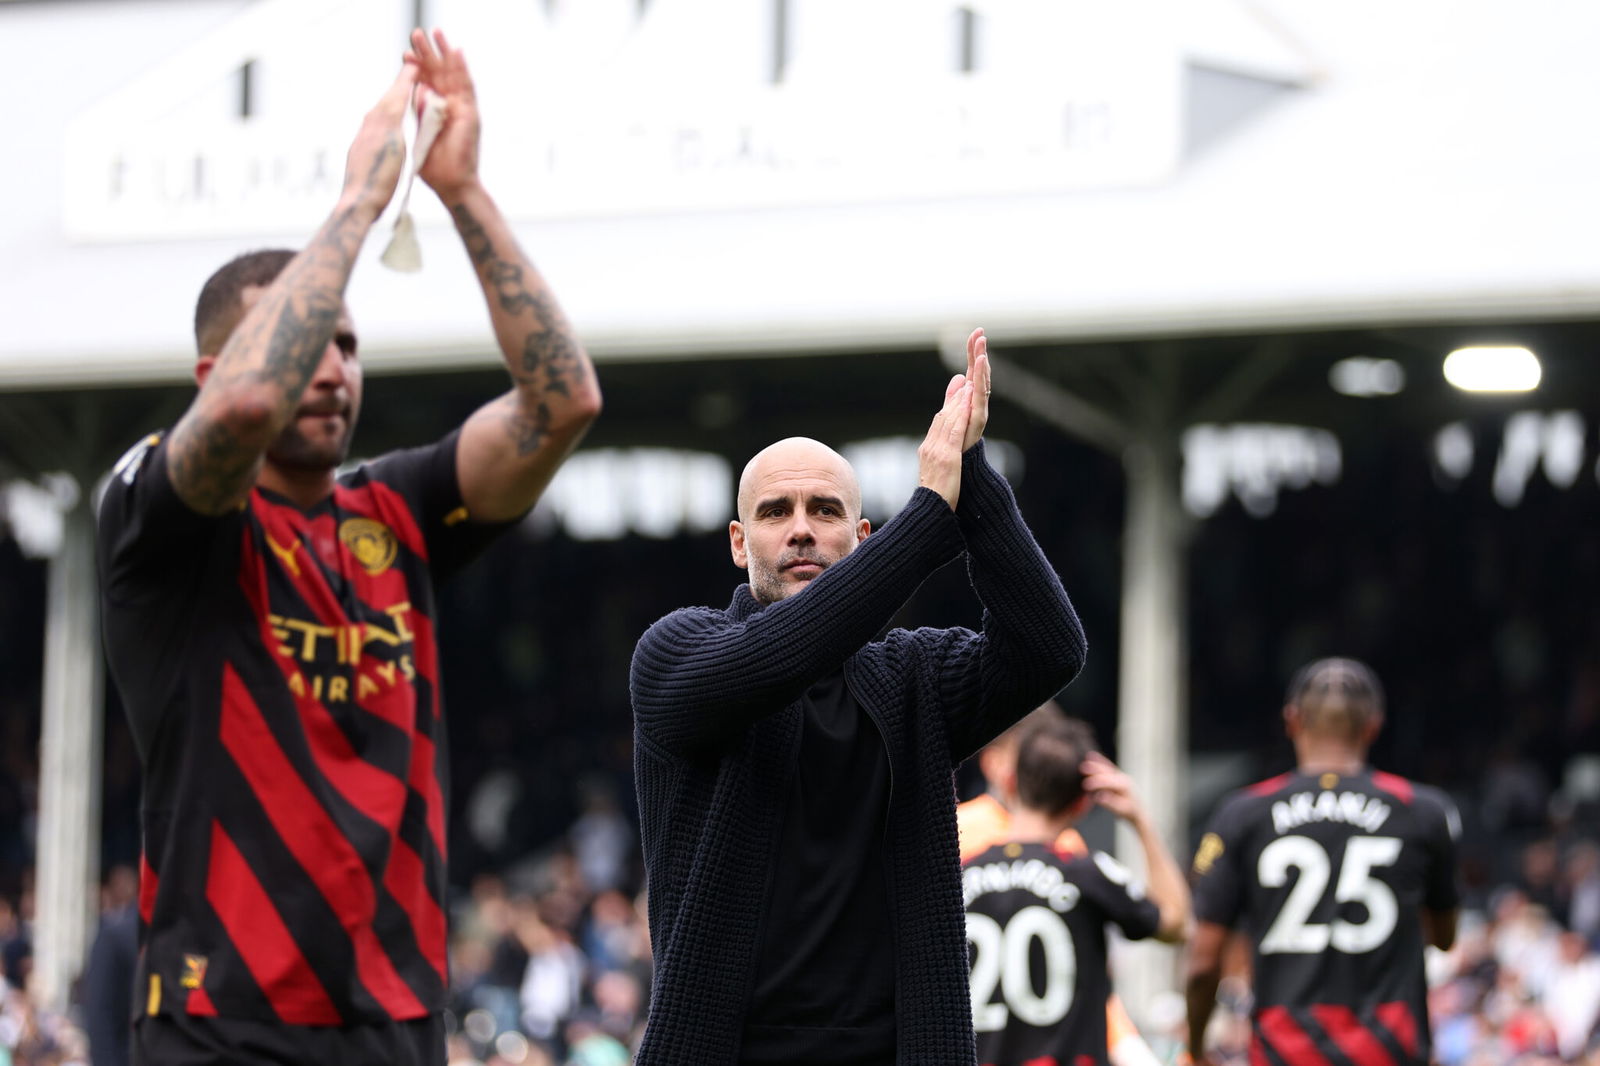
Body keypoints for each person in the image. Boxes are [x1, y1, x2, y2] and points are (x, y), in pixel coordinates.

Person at [96, 29, 601, 1066]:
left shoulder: (393, 510)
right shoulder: (159, 506)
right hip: (220, 1014)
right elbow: (244, 404)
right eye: (308, 339)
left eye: (348, 345)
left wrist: (459, 191)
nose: (331, 369)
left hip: (393, 1016)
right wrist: (356, 206)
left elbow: (564, 402)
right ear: (207, 369)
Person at [629, 331, 1087, 1066]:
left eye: (826, 510)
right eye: (776, 512)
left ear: (862, 535)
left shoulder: (915, 676)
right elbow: (780, 652)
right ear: (739, 544)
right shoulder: (677, 651)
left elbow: (1050, 649)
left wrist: (970, 484)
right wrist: (926, 521)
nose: (803, 528)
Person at [1185, 658, 1461, 1066]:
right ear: (1374, 725)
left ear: (1292, 720)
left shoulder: (1243, 814)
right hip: (1388, 1050)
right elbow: (1443, 937)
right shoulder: (1424, 811)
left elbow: (1204, 962)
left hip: (1286, 1050)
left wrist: (1194, 1048)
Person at [963, 715, 1190, 1066]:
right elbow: (1176, 925)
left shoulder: (961, 875)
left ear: (1008, 781)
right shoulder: (1087, 872)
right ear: (1084, 802)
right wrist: (1138, 820)